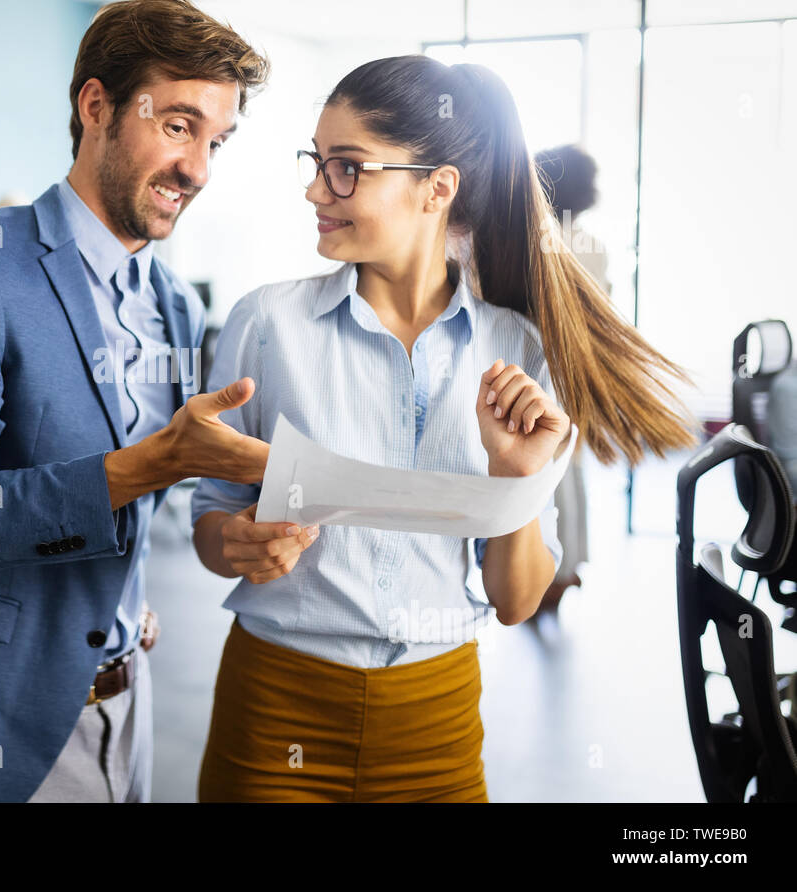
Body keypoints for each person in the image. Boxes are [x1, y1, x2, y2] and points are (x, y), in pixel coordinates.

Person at [190, 55, 697, 802]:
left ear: (438, 187)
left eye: (346, 168)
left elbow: (518, 600)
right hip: (276, 711)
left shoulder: (514, 348)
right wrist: (233, 544)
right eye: (316, 163)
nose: (314, 189)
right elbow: (210, 525)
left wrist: (515, 478)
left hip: (436, 722)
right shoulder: (266, 324)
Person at [0, 0, 271, 802]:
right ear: (96, 106)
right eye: (178, 125)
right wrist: (144, 467)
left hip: (125, 701)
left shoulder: (175, 303)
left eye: (218, 140)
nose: (199, 168)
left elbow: (133, 511)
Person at [530, 144, 614, 611]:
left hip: (545, 371)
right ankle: (569, 566)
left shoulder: (541, 242)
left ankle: (552, 572)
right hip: (578, 375)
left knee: (548, 474)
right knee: (570, 470)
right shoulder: (593, 247)